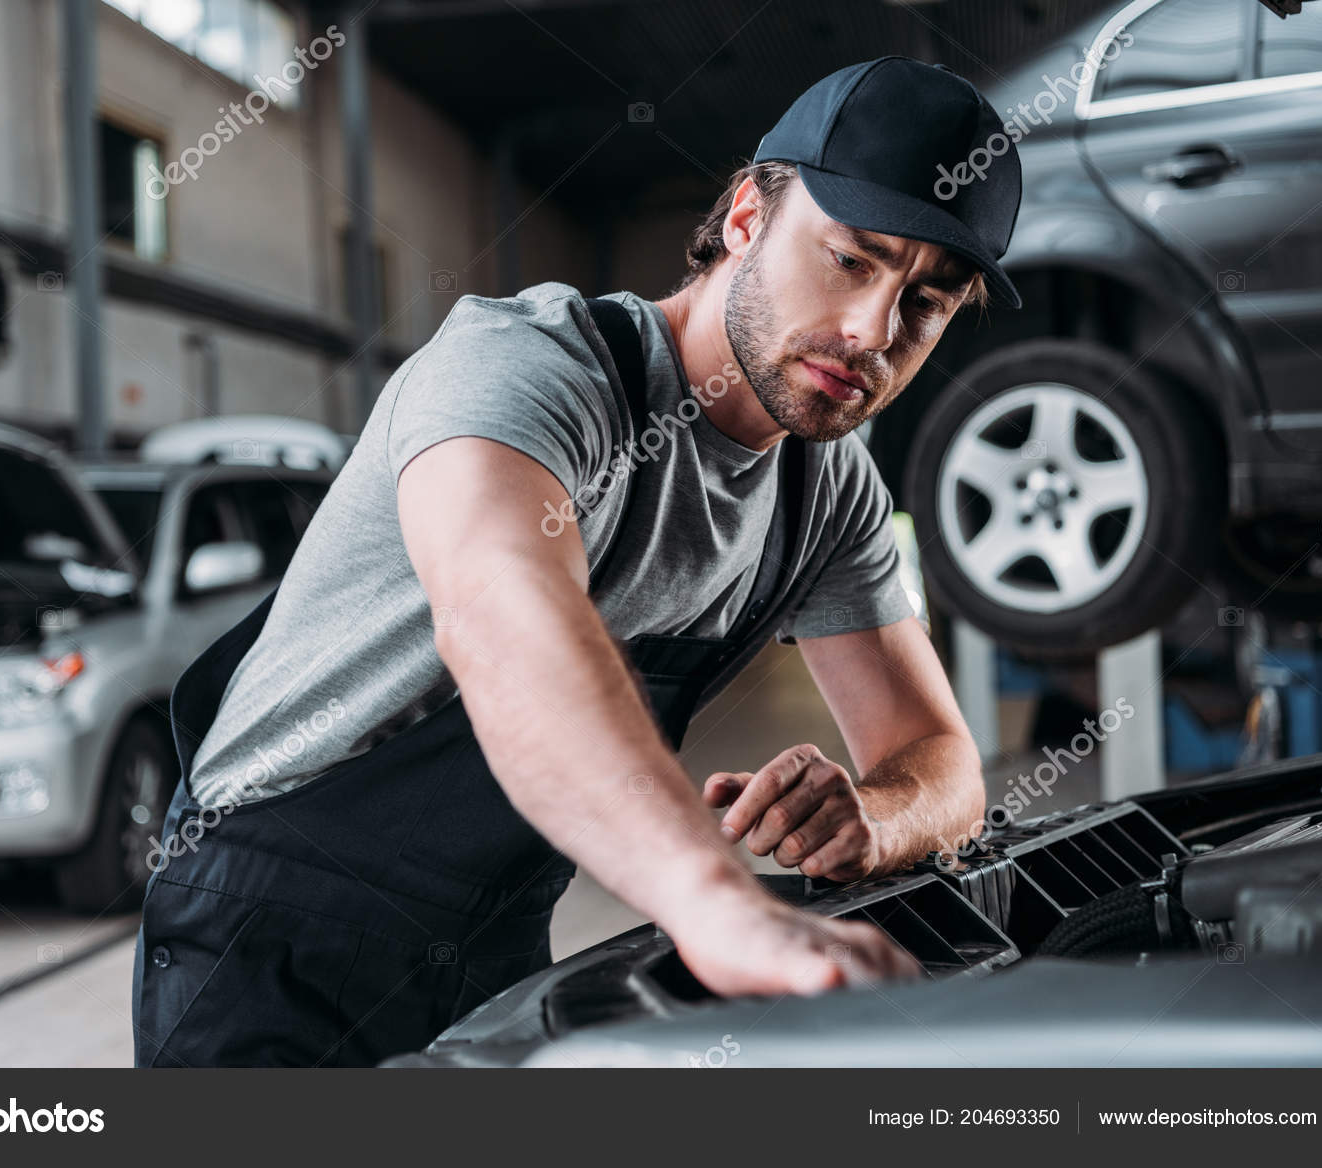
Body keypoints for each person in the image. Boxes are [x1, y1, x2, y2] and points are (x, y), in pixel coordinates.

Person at [133, 55, 1024, 1068]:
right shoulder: (529, 369)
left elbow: (943, 765)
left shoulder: (826, 492)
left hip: (491, 939)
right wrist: (719, 905)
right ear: (745, 218)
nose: (872, 330)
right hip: (270, 925)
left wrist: (873, 814)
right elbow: (500, 618)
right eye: (851, 260)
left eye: (925, 303)